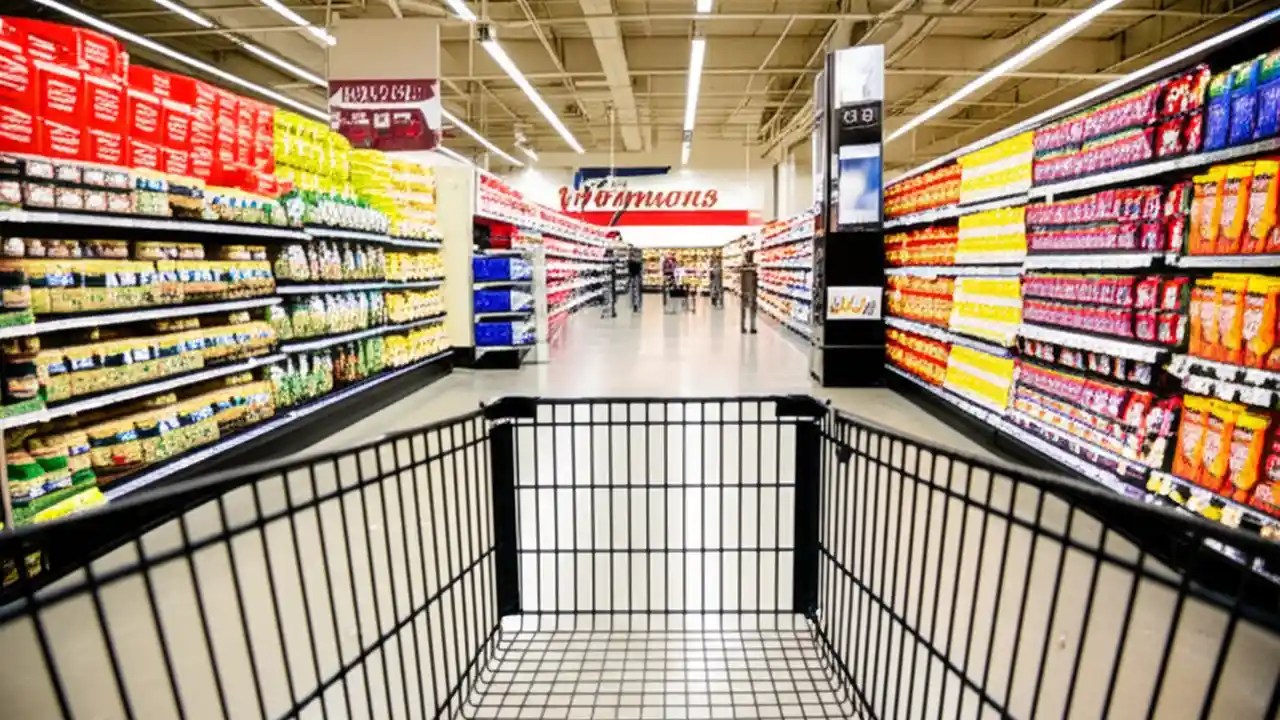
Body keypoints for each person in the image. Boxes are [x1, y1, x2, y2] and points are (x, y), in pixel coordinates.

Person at [740, 249, 758, 334]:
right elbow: (755, 280)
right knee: (752, 310)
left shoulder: (743, 267)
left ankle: (743, 327)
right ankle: (752, 327)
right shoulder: (754, 267)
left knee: (743, 310)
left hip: (744, 290)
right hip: (752, 291)